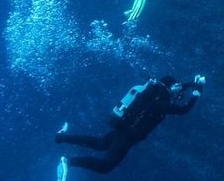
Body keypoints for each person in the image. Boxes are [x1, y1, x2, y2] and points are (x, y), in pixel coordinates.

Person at [56, 74, 204, 174]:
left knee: (100, 144)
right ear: (170, 86)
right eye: (177, 86)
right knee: (106, 166)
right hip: (128, 136)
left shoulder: (154, 92)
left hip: (123, 127)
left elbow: (174, 89)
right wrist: (198, 91)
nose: (179, 89)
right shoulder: (162, 102)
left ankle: (61, 137)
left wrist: (192, 84)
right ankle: (69, 162)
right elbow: (184, 109)